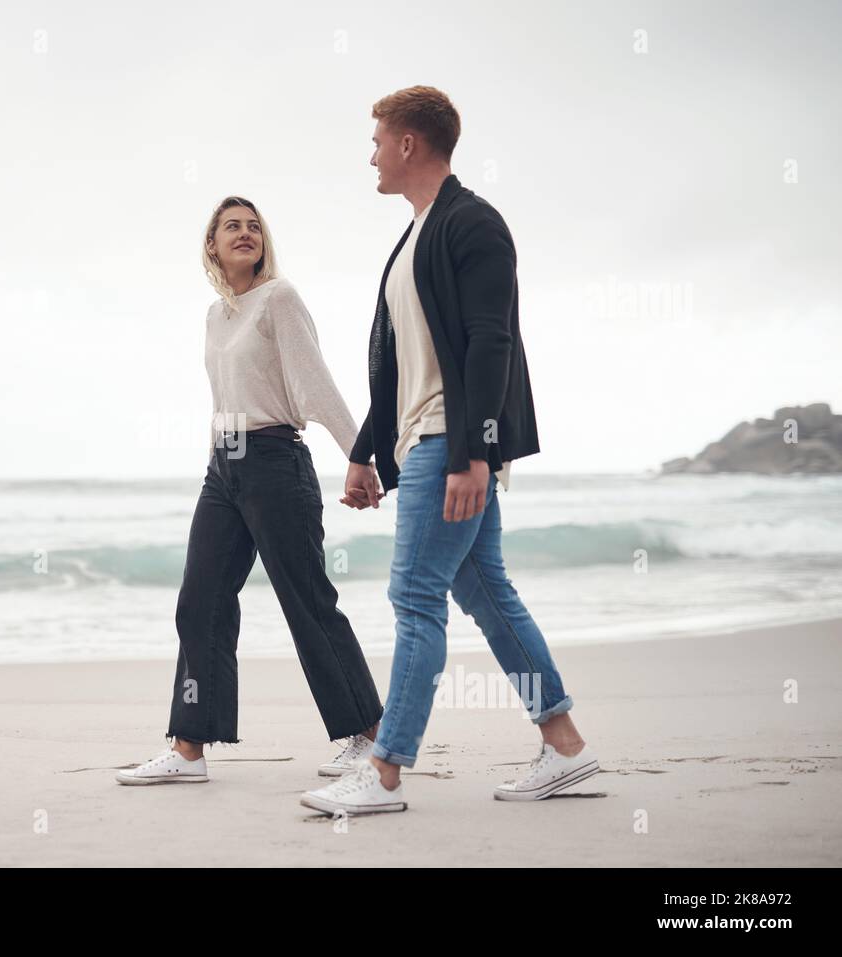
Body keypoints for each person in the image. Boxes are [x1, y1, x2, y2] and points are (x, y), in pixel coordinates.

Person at [301, 86, 599, 816]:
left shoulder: (473, 224)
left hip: (451, 443)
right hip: (425, 439)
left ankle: (387, 769)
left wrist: (475, 453)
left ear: (409, 144)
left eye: (377, 141)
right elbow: (401, 369)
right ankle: (565, 744)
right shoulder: (411, 240)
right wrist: (366, 451)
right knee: (483, 590)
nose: (370, 155)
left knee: (414, 597)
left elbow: (491, 341)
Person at [117, 195, 384, 785]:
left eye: (253, 226)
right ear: (211, 244)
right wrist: (215, 464)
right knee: (200, 601)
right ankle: (189, 750)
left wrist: (359, 457)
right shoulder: (216, 315)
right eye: (230, 226)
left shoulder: (280, 299)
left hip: (275, 460)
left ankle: (367, 736)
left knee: (306, 599)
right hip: (225, 469)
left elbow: (313, 382)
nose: (244, 233)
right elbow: (222, 402)